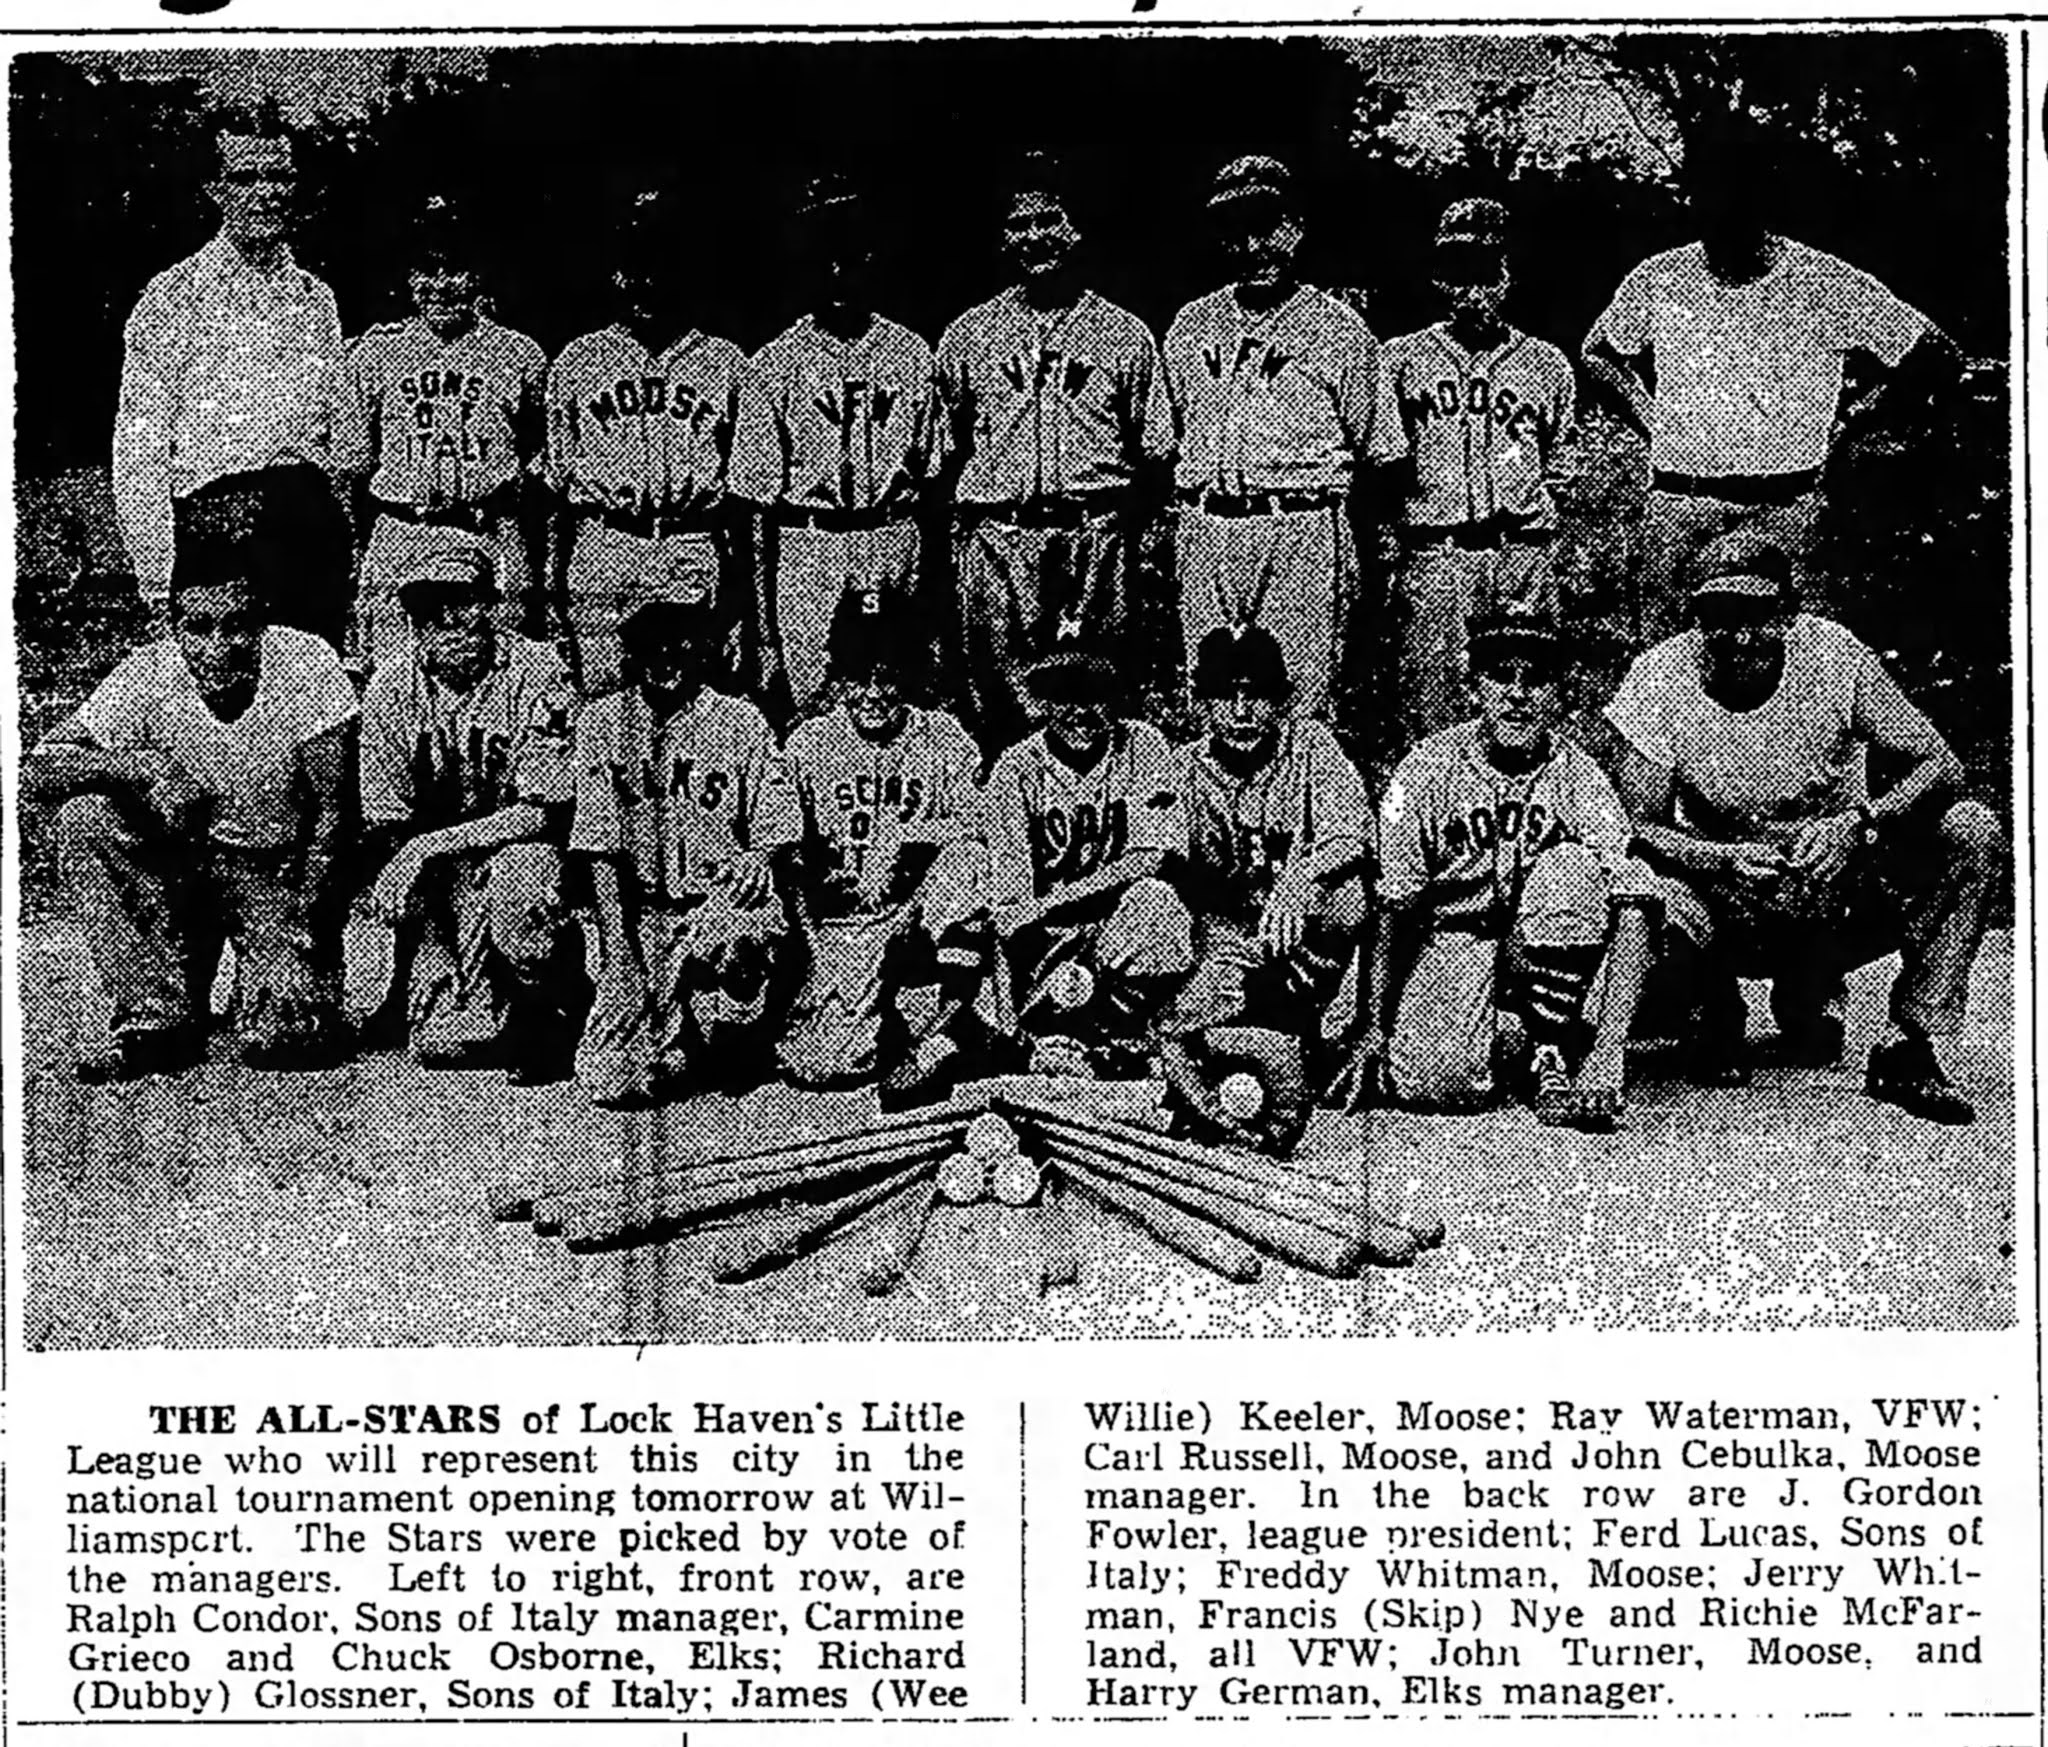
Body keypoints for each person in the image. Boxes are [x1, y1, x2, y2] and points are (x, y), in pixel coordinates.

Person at [1605, 532, 2001, 1123]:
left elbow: (1939, 762)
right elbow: (1637, 827)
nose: (1740, 637)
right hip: (1728, 897)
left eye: (1759, 615)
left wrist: (1859, 823)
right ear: (1696, 618)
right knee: (1646, 902)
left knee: (1972, 830)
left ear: (1789, 614)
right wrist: (1723, 857)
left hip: (1834, 889)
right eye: (1720, 617)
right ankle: (1715, 1000)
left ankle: (1907, 1046)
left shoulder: (1834, 655)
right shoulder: (1659, 676)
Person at [1581, 121, 1949, 643]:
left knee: (1794, 668)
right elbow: (1598, 352)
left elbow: (1932, 353)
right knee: (1671, 670)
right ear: (1692, 198)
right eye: (1708, 194)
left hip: (1786, 513)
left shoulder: (1824, 281)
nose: (1722, 210)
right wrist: (1651, 418)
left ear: (1764, 196)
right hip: (1681, 508)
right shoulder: (1659, 277)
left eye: (1738, 193)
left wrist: (1853, 421)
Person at [25, 549, 357, 1079]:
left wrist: (301, 930)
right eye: (199, 628)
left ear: (262, 618)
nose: (218, 648)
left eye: (236, 626)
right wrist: (140, 767)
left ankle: (267, 988)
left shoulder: (307, 663)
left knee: (284, 1042)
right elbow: (38, 769)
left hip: (271, 874)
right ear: (174, 626)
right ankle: (153, 1013)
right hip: (179, 870)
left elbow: (333, 816)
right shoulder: (148, 673)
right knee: (86, 816)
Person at [1353, 609, 1658, 1130]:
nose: (1518, 694)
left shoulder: (1582, 777)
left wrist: (1609, 1055)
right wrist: (1373, 1027)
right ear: (1474, 687)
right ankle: (1509, 1035)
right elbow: (1392, 907)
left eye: (1536, 679)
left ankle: (1549, 1046)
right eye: (1500, 676)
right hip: (1453, 943)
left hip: (1543, 945)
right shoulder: (1425, 768)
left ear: (1557, 694)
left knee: (1570, 868)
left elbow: (1638, 900)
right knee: (1436, 1084)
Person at [936, 153, 1174, 749]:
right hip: (1001, 535)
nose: (1034, 238)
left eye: (1049, 221)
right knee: (1001, 700)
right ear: (1002, 238)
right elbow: (946, 450)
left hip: (1094, 534)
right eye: (1019, 225)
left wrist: (1131, 533)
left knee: (1096, 693)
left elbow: (1155, 450)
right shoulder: (968, 334)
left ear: (1077, 231)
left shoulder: (1124, 332)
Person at [113, 125, 352, 647]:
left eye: (279, 177)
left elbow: (337, 431)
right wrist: (157, 577)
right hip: (219, 526)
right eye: (246, 178)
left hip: (309, 527)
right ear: (215, 189)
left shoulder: (317, 298)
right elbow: (139, 449)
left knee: (317, 681)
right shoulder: (172, 296)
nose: (266, 193)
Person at [1163, 154, 1379, 724]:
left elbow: (1372, 447)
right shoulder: (1190, 323)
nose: (1255, 246)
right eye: (1237, 229)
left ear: (1297, 228)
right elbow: (1170, 433)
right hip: (1206, 525)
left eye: (1268, 226)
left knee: (1298, 699)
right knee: (1212, 696)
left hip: (1300, 525)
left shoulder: (1339, 325)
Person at [355, 548, 584, 1083]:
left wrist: (424, 848)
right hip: (442, 881)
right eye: (431, 611)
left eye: (462, 602)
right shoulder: (392, 686)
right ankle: (435, 985)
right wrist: (431, 932)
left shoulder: (538, 671)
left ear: (489, 605)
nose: (450, 622)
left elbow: (543, 815)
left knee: (522, 882)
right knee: (442, 1045)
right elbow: (389, 823)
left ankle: (550, 999)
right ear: (414, 623)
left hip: (522, 853)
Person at [569, 591, 802, 1108]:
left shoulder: (741, 719)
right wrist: (620, 957)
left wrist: (759, 857)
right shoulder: (601, 722)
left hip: (717, 904)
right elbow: (600, 850)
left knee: (741, 936)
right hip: (643, 915)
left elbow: (778, 820)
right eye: (651, 648)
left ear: (701, 650)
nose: (665, 660)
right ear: (631, 654)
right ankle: (686, 1039)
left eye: (679, 646)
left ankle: (728, 1026)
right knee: (611, 1080)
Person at [734, 173, 947, 722]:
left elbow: (933, 483)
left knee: (895, 697)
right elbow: (756, 507)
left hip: (893, 535)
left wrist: (932, 599)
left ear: (871, 262)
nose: (837, 275)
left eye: (851, 259)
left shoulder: (911, 353)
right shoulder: (773, 362)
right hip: (812, 544)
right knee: (817, 703)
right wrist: (764, 631)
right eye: (823, 260)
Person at [1374, 198, 1578, 743]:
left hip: (1522, 553)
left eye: (1486, 274)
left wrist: (1541, 543)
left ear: (1508, 275)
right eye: (1459, 275)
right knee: (1434, 712)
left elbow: (1561, 465)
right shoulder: (1400, 358)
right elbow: (1385, 469)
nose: (1473, 293)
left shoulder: (1547, 362)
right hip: (1438, 555)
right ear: (1439, 279)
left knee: (1522, 705)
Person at [777, 592, 990, 1095]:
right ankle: (902, 1021)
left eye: (888, 676)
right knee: (823, 1066)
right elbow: (786, 856)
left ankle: (947, 1024)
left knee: (969, 859)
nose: (873, 693)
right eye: (858, 677)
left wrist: (905, 837)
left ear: (909, 675)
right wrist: (814, 949)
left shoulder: (942, 735)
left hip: (917, 918)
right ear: (839, 677)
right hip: (844, 925)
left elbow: (984, 825)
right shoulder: (810, 742)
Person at [546, 189, 749, 697]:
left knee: (688, 700)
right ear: (614, 274)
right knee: (603, 699)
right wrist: (552, 588)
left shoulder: (725, 362)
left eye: (662, 265)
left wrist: (740, 598)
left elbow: (744, 499)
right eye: (632, 268)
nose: (645, 284)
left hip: (688, 543)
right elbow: (556, 492)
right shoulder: (578, 360)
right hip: (605, 545)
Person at [338, 197, 548, 673]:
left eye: (454, 270)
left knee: (492, 677)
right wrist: (358, 555)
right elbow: (352, 468)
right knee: (396, 677)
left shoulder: (518, 354)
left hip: (486, 533)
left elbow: (536, 456)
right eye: (426, 271)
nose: (440, 286)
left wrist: (517, 541)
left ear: (477, 277)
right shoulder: (376, 353)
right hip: (402, 532)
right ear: (409, 279)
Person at [982, 650, 1193, 1073]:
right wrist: (1014, 1015)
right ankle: (1057, 1035)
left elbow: (1151, 859)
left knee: (1157, 903)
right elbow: (1013, 910)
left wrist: (1045, 904)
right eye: (1064, 697)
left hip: (1118, 927)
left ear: (1114, 699)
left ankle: (1115, 1036)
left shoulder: (1143, 744)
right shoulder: (1015, 768)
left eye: (1093, 696)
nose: (1079, 712)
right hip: (1053, 940)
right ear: (1042, 703)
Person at [1170, 624, 1370, 1056]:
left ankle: (1317, 1014)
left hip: (1302, 934)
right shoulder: (1182, 766)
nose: (1241, 711)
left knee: (1349, 893)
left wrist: (1298, 879)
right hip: (1227, 939)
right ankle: (1273, 1014)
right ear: (1201, 701)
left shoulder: (1311, 744)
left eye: (1257, 694)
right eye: (1225, 694)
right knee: (1188, 1018)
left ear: (1281, 699)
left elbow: (1353, 837)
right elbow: (1164, 865)